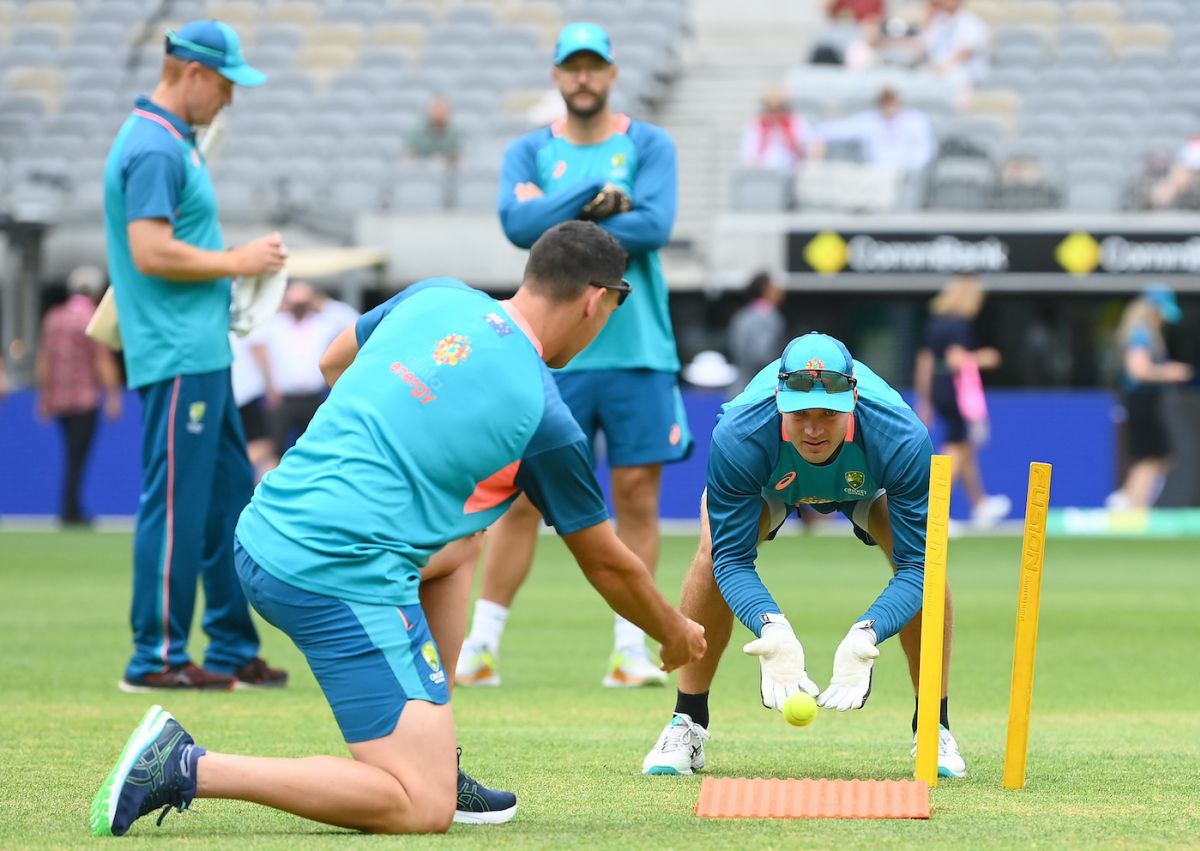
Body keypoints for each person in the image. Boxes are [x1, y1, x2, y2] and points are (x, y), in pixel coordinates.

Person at [91, 221, 707, 837]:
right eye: (618, 302)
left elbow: (334, 358)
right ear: (596, 298)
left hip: (265, 526)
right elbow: (604, 560)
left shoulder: (440, 295)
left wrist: (392, 444)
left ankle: (438, 751)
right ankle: (184, 766)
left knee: (465, 541)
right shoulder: (544, 415)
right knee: (420, 806)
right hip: (331, 572)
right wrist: (673, 631)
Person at [457, 22, 693, 689]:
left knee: (637, 496)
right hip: (551, 351)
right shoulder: (531, 149)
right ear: (557, 75)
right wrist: (597, 202)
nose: (583, 77)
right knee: (519, 497)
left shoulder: (649, 142)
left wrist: (558, 217)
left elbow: (654, 227)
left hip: (638, 346)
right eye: (571, 67)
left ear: (612, 73)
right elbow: (516, 227)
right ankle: (481, 644)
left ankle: (630, 649)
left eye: (594, 66)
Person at [641, 332, 966, 779]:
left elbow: (919, 568)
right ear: (778, 398)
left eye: (828, 414)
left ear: (852, 398)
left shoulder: (901, 435)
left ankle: (933, 727)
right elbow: (732, 560)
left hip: (868, 483)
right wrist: (771, 626)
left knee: (931, 560)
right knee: (712, 550)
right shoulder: (739, 433)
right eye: (799, 414)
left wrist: (868, 633)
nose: (813, 429)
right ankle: (687, 722)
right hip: (771, 481)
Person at [105, 20, 289, 691]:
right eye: (227, 84)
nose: (230, 100)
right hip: (179, 353)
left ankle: (233, 644)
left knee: (228, 501)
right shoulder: (155, 147)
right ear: (193, 74)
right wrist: (236, 260)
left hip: (202, 350)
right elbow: (151, 250)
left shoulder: (172, 142)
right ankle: (153, 658)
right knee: (180, 504)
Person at [913, 276, 1010, 529]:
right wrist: (985, 358)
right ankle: (936, 512)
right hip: (956, 390)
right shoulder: (959, 325)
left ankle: (980, 504)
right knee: (957, 446)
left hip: (940, 389)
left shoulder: (935, 325)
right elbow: (957, 360)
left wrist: (925, 399)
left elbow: (925, 362)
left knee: (964, 445)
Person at [35, 265, 124, 525]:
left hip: (61, 399)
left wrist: (45, 396)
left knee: (70, 454)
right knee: (78, 456)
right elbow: (101, 360)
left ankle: (69, 505)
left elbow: (44, 360)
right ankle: (71, 509)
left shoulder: (53, 318)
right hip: (85, 399)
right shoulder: (91, 319)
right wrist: (114, 395)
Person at [1107, 285, 1193, 509]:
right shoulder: (1141, 335)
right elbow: (1138, 370)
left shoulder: (1144, 334)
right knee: (1150, 457)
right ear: (1153, 310)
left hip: (1146, 402)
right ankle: (1131, 503)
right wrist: (1170, 372)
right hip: (1141, 402)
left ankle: (1133, 502)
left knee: (1154, 457)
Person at [256, 281, 355, 453]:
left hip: (314, 398)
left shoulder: (322, 324)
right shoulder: (275, 324)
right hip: (282, 398)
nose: (298, 305)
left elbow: (352, 321)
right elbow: (253, 339)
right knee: (275, 449)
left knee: (315, 447)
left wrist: (323, 303)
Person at [817, 87, 936, 171]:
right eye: (885, 103)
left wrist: (909, 169)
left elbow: (924, 149)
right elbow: (842, 129)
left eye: (892, 103)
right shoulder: (870, 120)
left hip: (907, 172)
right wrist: (817, 134)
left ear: (899, 103)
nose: (889, 107)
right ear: (879, 104)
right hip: (878, 174)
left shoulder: (915, 121)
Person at [738, 86, 823, 173]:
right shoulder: (755, 126)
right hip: (762, 173)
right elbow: (747, 155)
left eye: (778, 109)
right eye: (770, 110)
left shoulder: (797, 123)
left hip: (793, 172)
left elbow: (814, 148)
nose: (774, 114)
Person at [727, 270, 786, 391]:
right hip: (759, 390)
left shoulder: (743, 314)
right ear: (765, 289)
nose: (781, 291)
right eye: (775, 287)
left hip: (740, 386)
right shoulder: (767, 315)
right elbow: (762, 355)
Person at [919, 0, 989, 89]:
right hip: (937, 71)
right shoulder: (939, 21)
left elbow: (966, 52)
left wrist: (945, 66)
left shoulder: (971, 22)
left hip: (963, 73)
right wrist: (928, 17)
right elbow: (924, 47)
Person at [405, 97, 463, 167]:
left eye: (442, 110)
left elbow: (459, 156)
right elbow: (407, 155)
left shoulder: (455, 133)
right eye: (436, 110)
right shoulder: (417, 132)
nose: (439, 113)